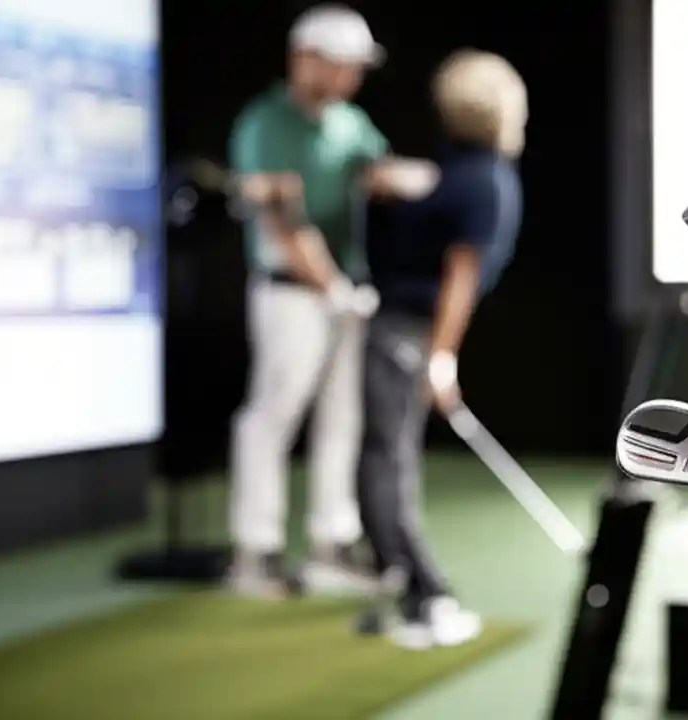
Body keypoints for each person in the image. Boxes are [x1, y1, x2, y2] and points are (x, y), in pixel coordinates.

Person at [228, 4, 436, 596]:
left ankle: (330, 546)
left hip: (348, 295)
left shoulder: (350, 122)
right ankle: (256, 551)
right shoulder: (266, 123)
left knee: (342, 420)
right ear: (306, 59)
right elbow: (284, 225)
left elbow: (380, 168)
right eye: (343, 66)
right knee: (273, 415)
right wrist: (332, 288)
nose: (352, 78)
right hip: (291, 293)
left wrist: (413, 179)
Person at [356, 49, 528, 648]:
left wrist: (440, 354)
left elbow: (461, 273)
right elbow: (458, 271)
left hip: (406, 329)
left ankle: (413, 587)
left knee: (388, 457)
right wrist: (441, 355)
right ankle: (422, 593)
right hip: (402, 328)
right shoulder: (474, 175)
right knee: (389, 459)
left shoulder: (477, 178)